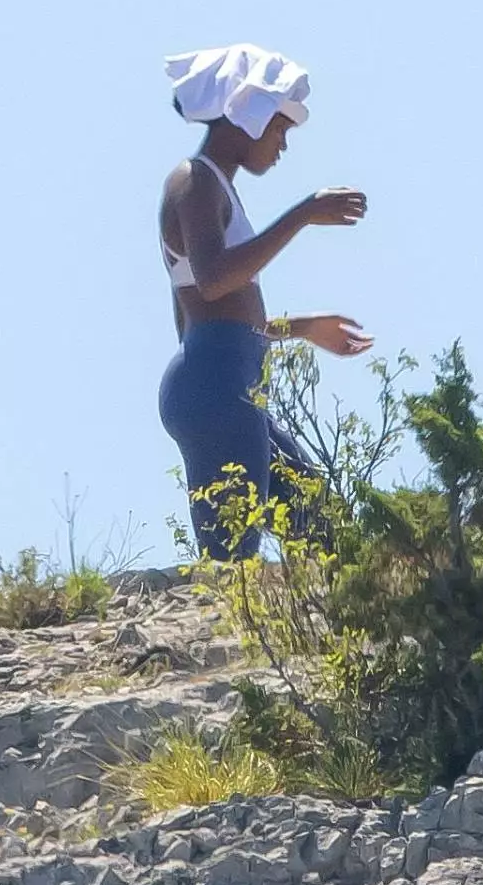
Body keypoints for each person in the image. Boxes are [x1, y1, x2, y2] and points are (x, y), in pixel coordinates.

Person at [156, 43, 372, 559]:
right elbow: (212, 282)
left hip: (222, 382)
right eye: (279, 129)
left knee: (324, 530)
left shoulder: (213, 188)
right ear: (247, 117)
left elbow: (212, 314)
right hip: (216, 386)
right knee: (232, 553)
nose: (281, 145)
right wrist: (302, 215)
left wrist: (300, 327)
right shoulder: (194, 182)